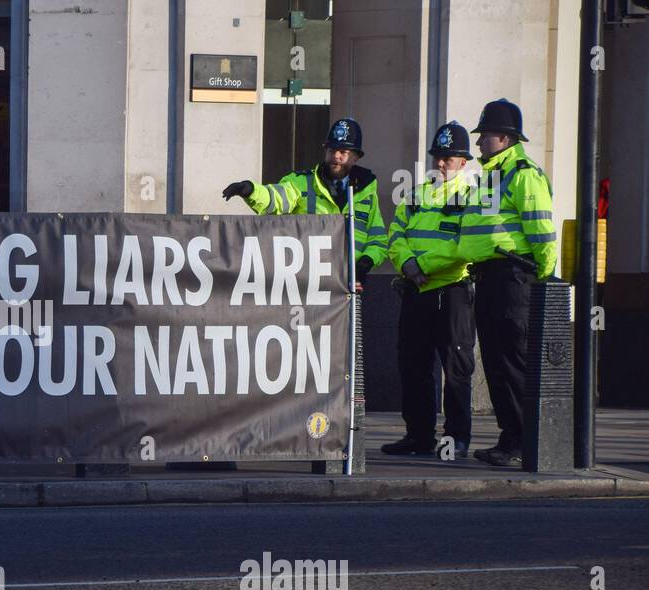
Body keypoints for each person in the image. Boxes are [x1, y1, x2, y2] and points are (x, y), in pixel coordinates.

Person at [459, 99, 558, 467]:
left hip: (514, 278)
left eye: (484, 135)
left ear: (503, 137)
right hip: (490, 278)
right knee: (498, 364)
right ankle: (510, 436)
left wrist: (543, 279)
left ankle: (521, 439)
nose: (480, 142)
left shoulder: (523, 174)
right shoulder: (493, 176)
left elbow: (542, 232)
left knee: (513, 362)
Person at [382, 121, 477, 459]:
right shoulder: (415, 193)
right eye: (437, 157)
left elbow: (466, 245)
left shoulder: (474, 196)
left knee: (456, 370)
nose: (440, 163)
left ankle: (456, 439)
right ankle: (418, 436)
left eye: (448, 159)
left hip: (451, 292)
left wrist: (424, 267)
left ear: (463, 162)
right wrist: (407, 265)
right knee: (413, 366)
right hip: (415, 291)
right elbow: (395, 234)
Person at [220, 118, 388, 286]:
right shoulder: (302, 182)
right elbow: (276, 198)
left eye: (343, 151)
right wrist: (251, 190)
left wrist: (364, 265)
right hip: (307, 285)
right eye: (331, 150)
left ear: (355, 157)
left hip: (347, 287)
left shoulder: (367, 191)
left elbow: (377, 240)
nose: (336, 156)